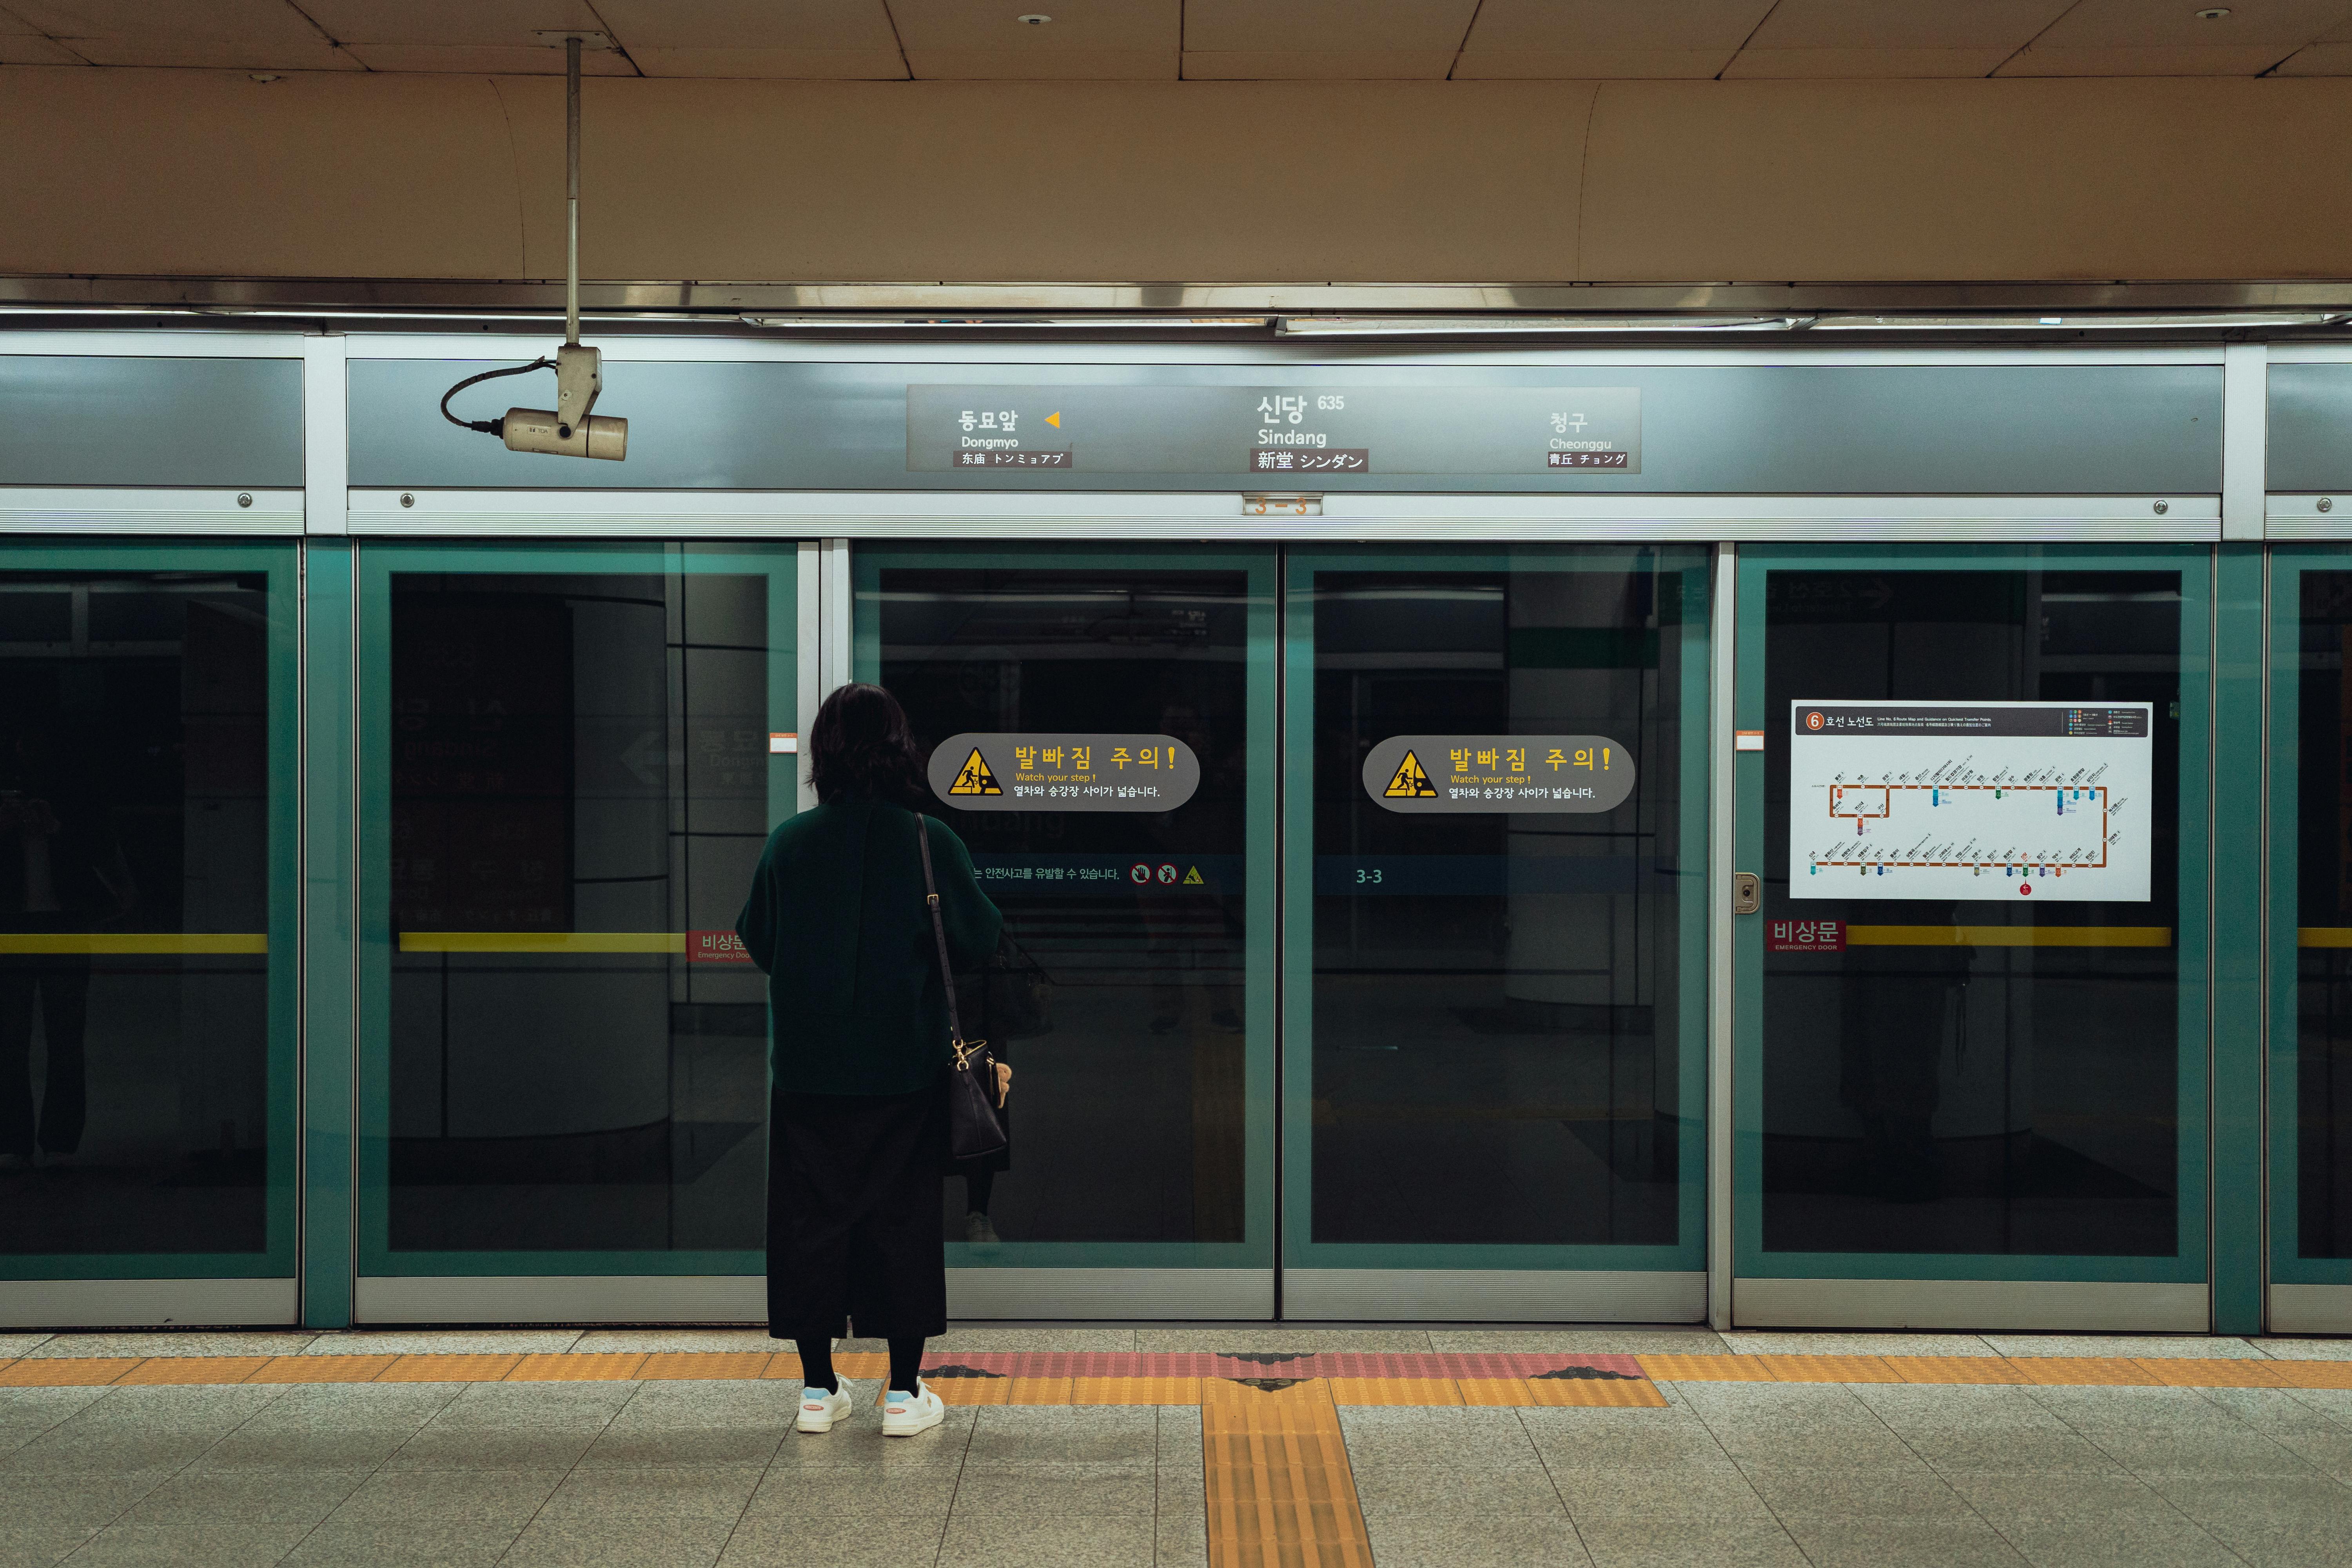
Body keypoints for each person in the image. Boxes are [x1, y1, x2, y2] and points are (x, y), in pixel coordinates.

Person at [735, 683, 1001, 1438]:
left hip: (809, 1074)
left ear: (824, 755)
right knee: (901, 1223)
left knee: (809, 1223)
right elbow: (980, 940)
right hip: (905, 1073)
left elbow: (759, 937)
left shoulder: (789, 842)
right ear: (898, 750)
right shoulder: (927, 840)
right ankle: (903, 1393)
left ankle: (818, 1391)